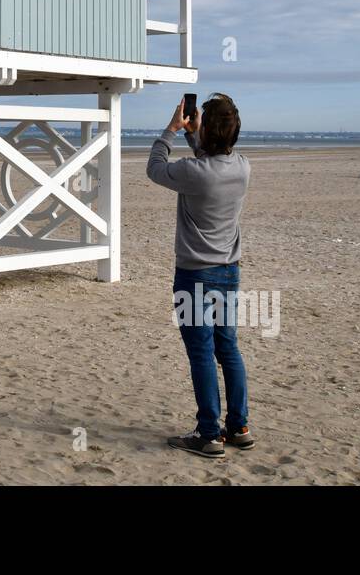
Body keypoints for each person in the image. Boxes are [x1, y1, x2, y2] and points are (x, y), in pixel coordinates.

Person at [146, 93, 253, 459]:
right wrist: (197, 135)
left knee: (202, 355)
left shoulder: (193, 173)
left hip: (194, 275)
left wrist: (172, 129)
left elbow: (155, 167)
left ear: (208, 130)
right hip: (228, 272)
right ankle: (238, 427)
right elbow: (211, 158)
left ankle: (209, 434)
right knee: (228, 349)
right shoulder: (242, 167)